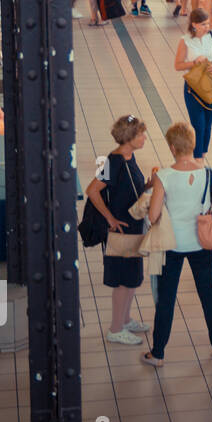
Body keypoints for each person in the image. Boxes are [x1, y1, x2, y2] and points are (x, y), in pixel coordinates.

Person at [143, 122, 212, 368]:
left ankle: (158, 353)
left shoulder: (164, 176)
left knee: (166, 299)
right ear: (192, 145)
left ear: (172, 147)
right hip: (202, 243)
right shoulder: (209, 174)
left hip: (173, 245)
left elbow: (154, 215)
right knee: (209, 295)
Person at [85, 115, 153, 345]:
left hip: (133, 226)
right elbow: (92, 190)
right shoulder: (111, 162)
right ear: (129, 137)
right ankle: (115, 329)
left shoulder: (129, 157)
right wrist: (110, 218)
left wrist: (149, 185)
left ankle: (125, 320)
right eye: (141, 134)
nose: (145, 137)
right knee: (124, 280)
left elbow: (130, 189)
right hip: (121, 231)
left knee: (132, 277)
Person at [174, 7, 212, 160]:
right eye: (204, 24)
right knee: (198, 125)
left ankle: (202, 155)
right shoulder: (185, 40)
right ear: (194, 25)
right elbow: (177, 65)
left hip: (211, 86)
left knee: (208, 124)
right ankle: (198, 159)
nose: (207, 27)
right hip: (193, 89)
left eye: (208, 23)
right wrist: (193, 62)